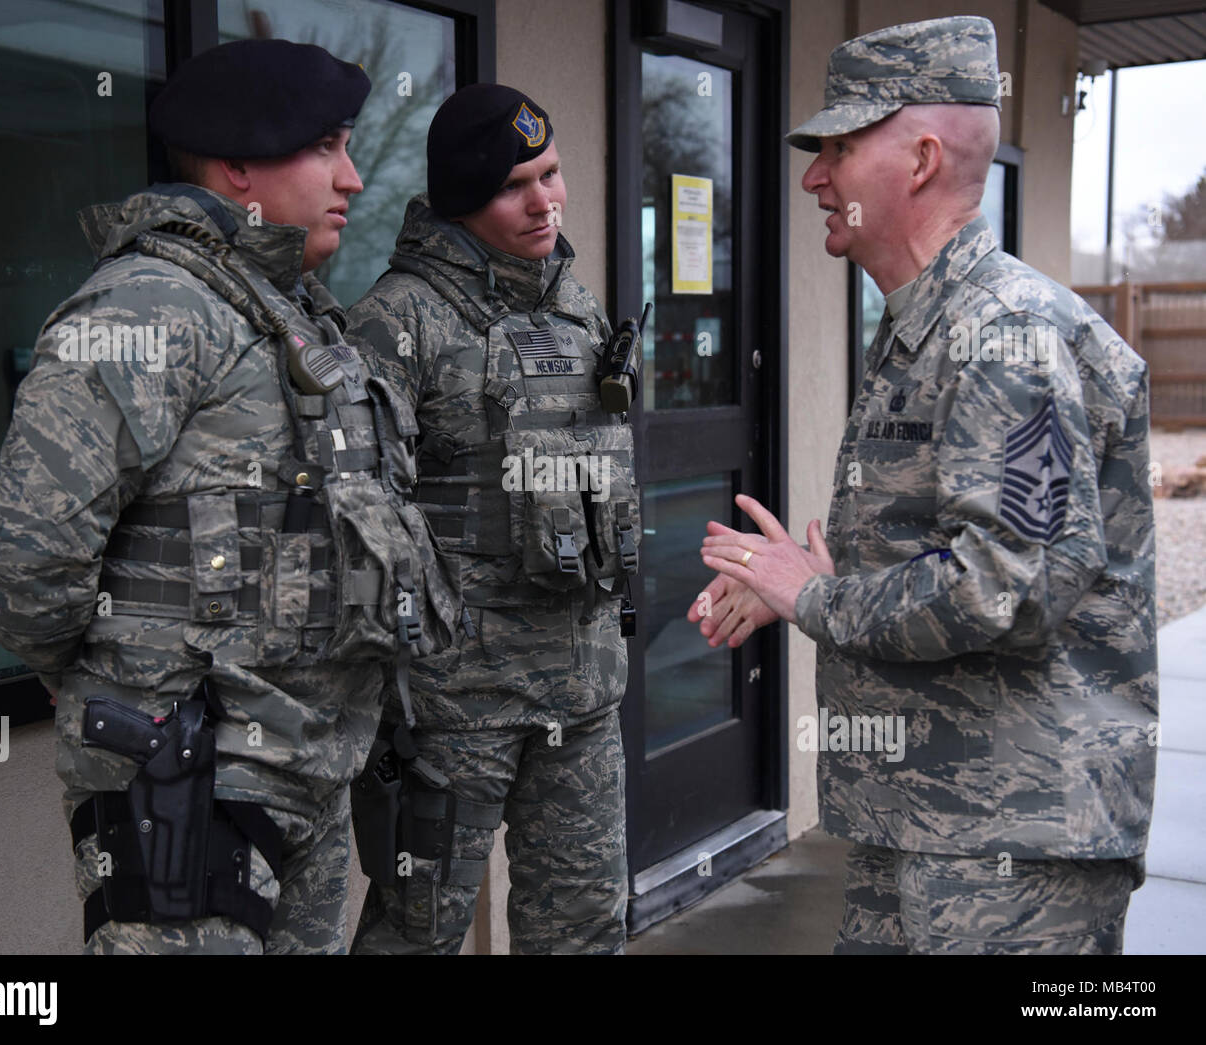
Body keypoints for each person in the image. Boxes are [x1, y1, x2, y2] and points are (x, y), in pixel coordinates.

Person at [0, 38, 456, 954]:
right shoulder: (150, 308)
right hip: (185, 786)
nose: (351, 177)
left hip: (305, 774)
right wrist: (129, 683)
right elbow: (25, 558)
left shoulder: (286, 310)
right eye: (327, 147)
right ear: (238, 168)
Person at [690, 15, 1157, 955]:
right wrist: (829, 573)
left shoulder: (1005, 337)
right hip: (930, 822)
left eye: (839, 147)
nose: (815, 176)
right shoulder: (927, 328)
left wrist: (816, 594)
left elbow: (1004, 586)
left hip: (1011, 851)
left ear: (918, 160)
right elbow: (974, 553)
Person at [344, 84, 638, 954]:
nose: (545, 202)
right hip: (453, 709)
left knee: (584, 927)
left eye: (551, 175)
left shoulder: (575, 308)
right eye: (517, 186)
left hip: (583, 693)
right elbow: (360, 515)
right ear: (465, 198)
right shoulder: (397, 321)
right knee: (416, 930)